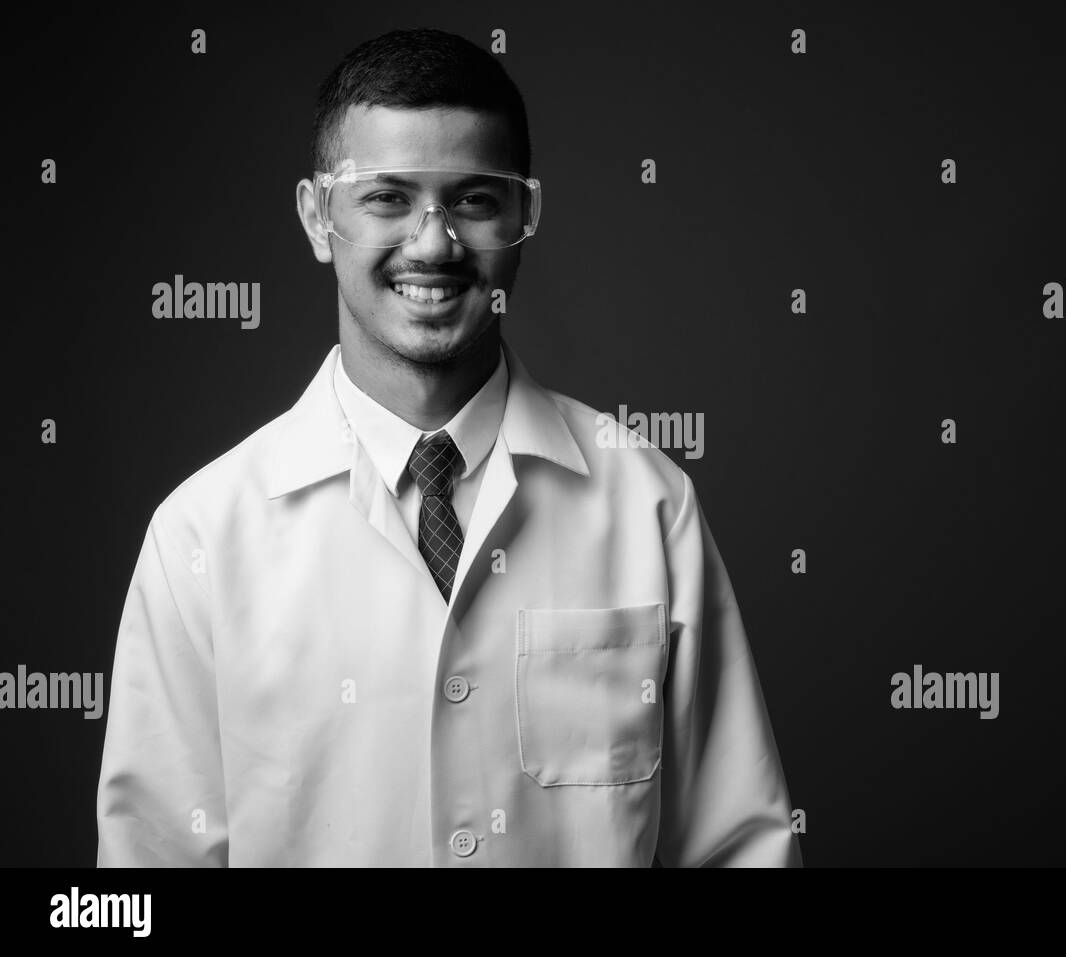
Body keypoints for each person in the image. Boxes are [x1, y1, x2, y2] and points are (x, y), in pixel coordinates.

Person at [95, 27, 800, 867]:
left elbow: (739, 849)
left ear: (524, 218)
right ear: (319, 219)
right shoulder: (201, 537)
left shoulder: (647, 503)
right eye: (387, 197)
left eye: (473, 199)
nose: (433, 244)